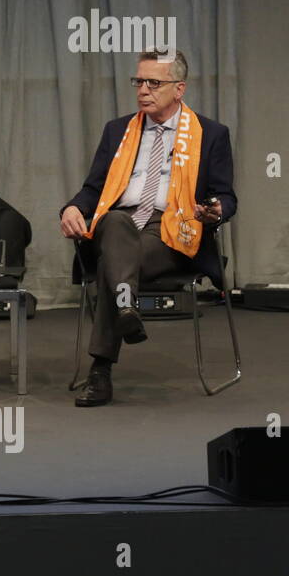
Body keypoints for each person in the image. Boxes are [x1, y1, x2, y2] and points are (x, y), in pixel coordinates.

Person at [59, 49, 236, 407]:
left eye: (154, 83)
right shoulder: (118, 131)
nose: (143, 90)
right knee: (115, 223)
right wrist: (73, 207)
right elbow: (94, 189)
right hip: (115, 223)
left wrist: (215, 211)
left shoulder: (211, 134)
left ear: (179, 88)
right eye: (138, 81)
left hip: (172, 233)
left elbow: (225, 197)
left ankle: (101, 370)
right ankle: (126, 304)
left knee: (115, 265)